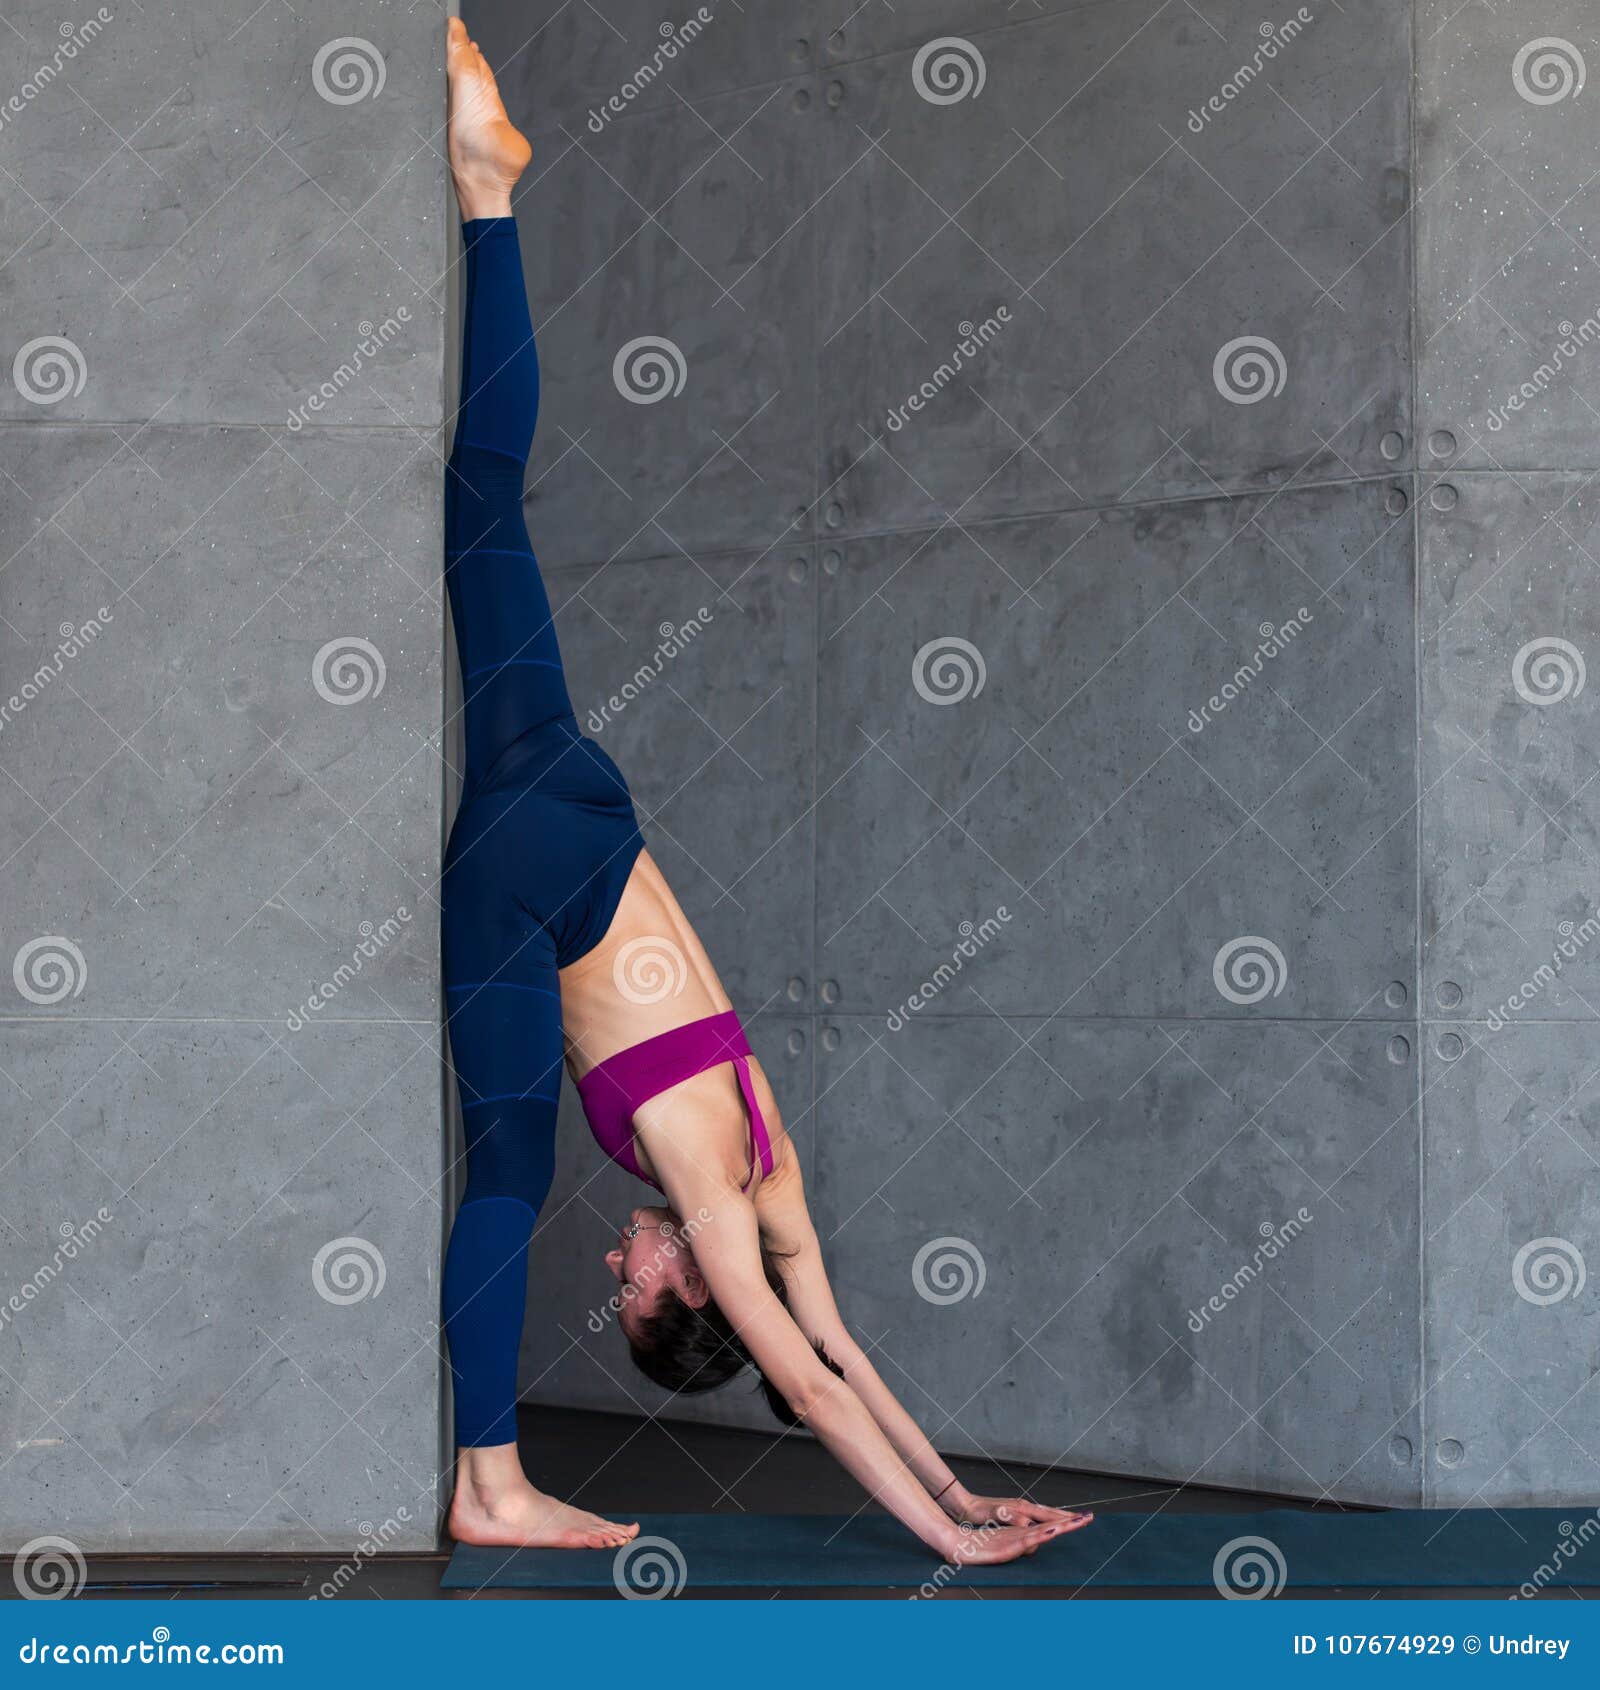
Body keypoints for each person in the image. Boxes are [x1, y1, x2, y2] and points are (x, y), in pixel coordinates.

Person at [438, 19, 1092, 1565]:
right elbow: (801, 1370)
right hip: (539, 864)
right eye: (636, 1287)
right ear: (684, 1304)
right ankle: (488, 1479)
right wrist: (951, 1542)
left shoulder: (780, 1172)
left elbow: (848, 1358)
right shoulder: (722, 1208)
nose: (627, 1261)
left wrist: (966, 1484)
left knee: (485, 499)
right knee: (508, 1172)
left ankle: (489, 188)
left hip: (595, 810)